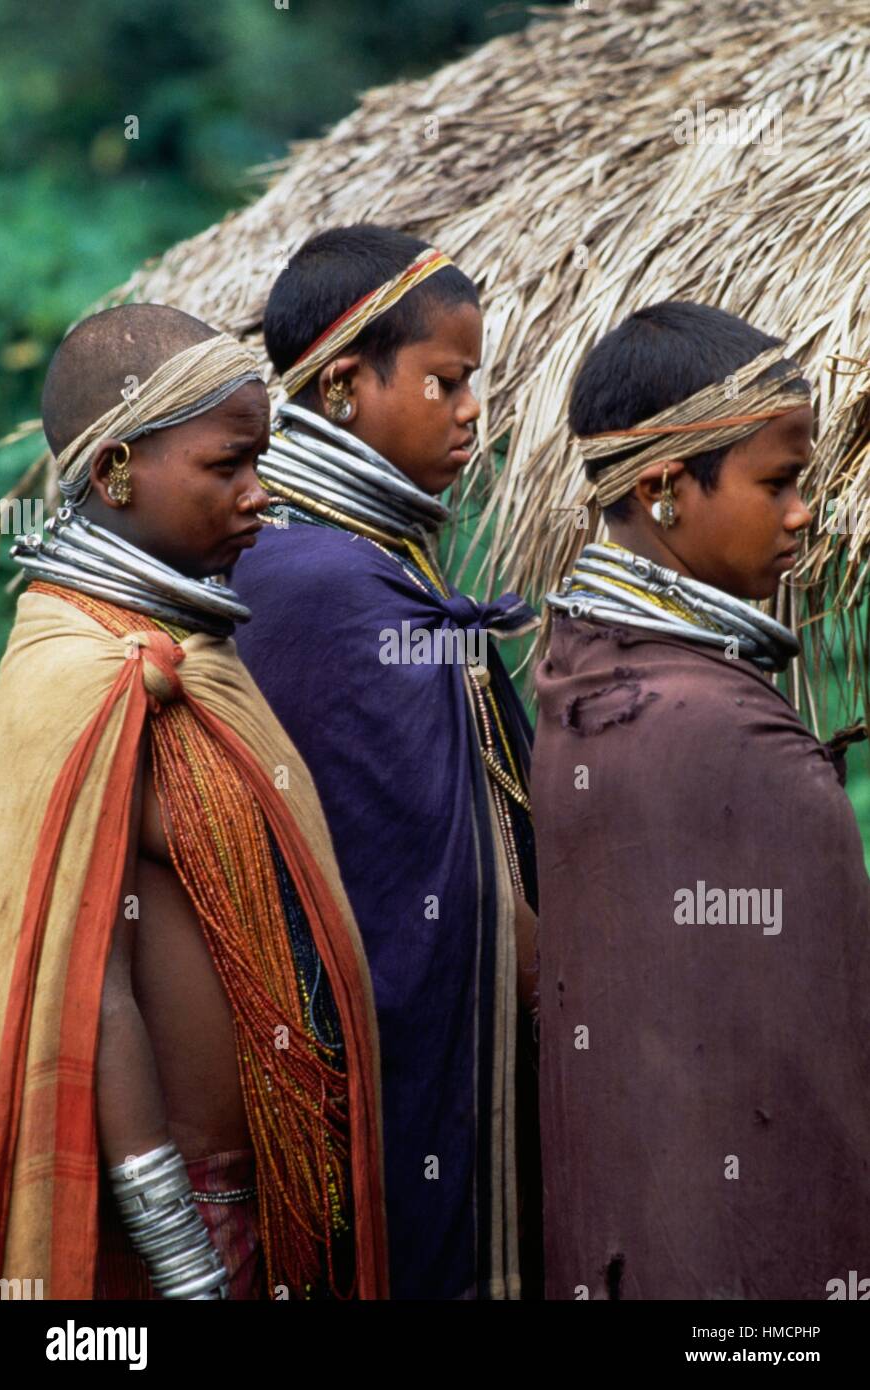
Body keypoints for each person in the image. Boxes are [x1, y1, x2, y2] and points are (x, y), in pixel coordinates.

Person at [0, 304, 387, 1301]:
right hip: (171, 1223)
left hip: (273, 1177)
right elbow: (94, 992)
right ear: (115, 470)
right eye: (227, 466)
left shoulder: (200, 659)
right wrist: (181, 1257)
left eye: (260, 460)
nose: (261, 496)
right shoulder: (80, 674)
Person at [533, 300, 870, 1300]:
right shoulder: (727, 738)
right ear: (667, 490)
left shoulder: (572, 674)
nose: (804, 513)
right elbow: (816, 1086)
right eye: (779, 482)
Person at [233, 224, 539, 1300]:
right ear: (347, 384)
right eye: (445, 380)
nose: (471, 411)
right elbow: (394, 883)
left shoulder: (370, 564)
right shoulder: (323, 582)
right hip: (379, 1075)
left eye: (474, 383)